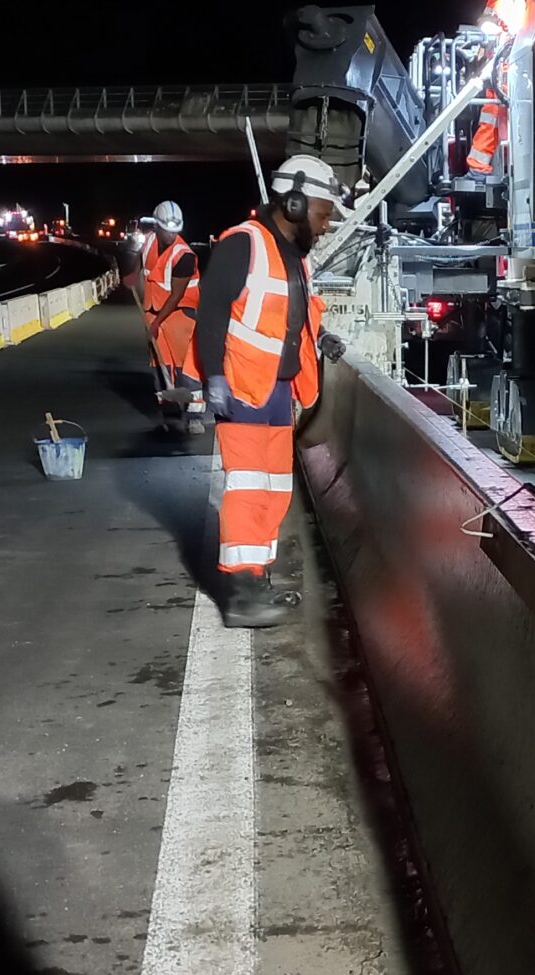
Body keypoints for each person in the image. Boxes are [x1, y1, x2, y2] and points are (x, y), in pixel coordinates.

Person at [191, 154, 346, 628]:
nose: (325, 226)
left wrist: (320, 337)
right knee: (246, 488)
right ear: (295, 204)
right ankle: (240, 596)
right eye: (322, 215)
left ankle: (257, 578)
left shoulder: (294, 256)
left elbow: (292, 314)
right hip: (242, 387)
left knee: (273, 489)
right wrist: (214, 378)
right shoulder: (243, 244)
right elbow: (211, 314)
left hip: (278, 390)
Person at [137, 202, 203, 432]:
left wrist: (156, 323)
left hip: (181, 314)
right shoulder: (148, 242)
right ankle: (171, 414)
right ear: (156, 226)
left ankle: (194, 416)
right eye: (167, 230)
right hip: (153, 311)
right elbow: (142, 268)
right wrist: (132, 278)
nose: (172, 234)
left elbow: (176, 295)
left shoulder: (184, 256)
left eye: (176, 230)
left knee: (187, 366)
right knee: (161, 365)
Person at [466, 82, 506, 179]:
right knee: (490, 126)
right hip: (498, 89)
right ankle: (478, 168)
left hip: (499, 89)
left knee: (489, 126)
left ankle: (478, 168)